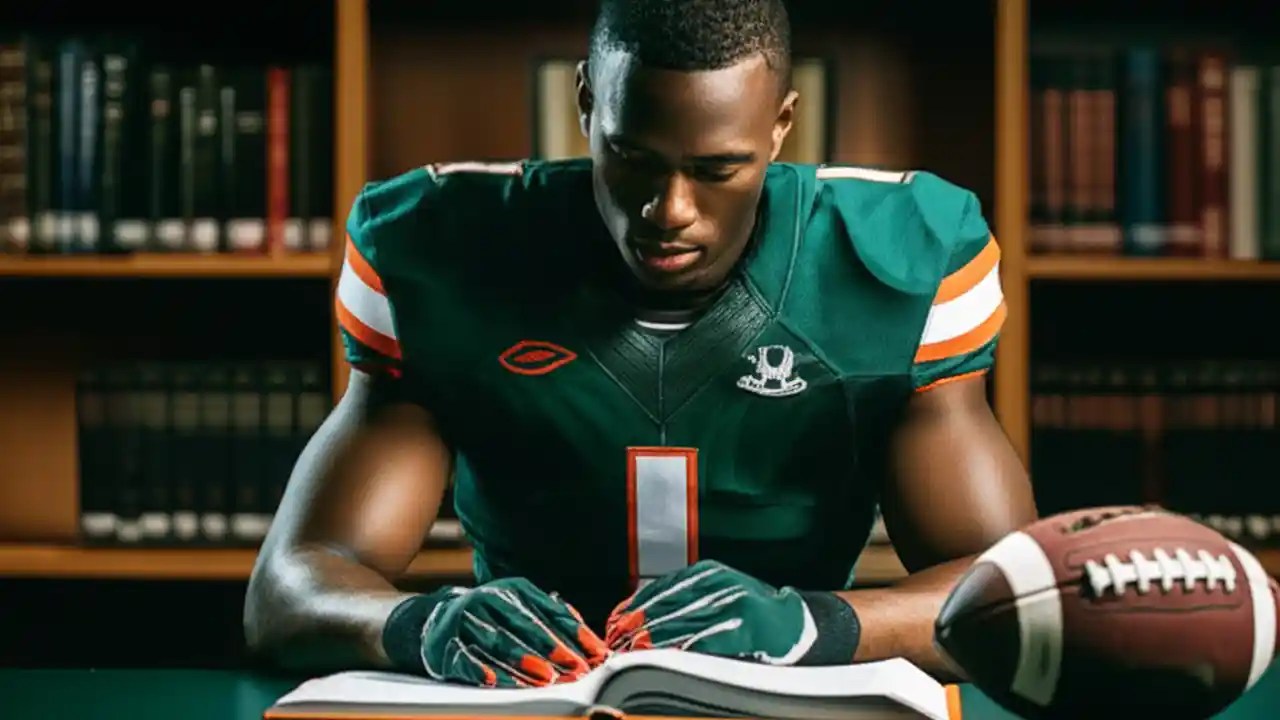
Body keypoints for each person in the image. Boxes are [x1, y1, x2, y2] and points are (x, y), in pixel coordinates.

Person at [243, 0, 1036, 689]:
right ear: (586, 104)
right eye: (633, 158)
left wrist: (812, 628)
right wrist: (418, 624)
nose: (668, 210)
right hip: (530, 695)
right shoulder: (442, 250)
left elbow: (1012, 593)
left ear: (781, 124)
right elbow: (286, 588)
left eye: (717, 167)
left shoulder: (896, 259)